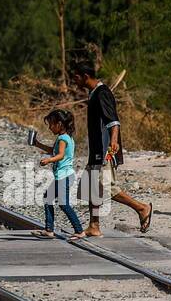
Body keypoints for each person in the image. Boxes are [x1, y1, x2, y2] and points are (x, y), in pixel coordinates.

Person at [69, 46, 153, 237]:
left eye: (75, 77)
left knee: (107, 187)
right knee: (91, 187)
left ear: (83, 76)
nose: (74, 81)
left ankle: (141, 208)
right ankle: (94, 226)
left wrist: (113, 142)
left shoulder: (102, 93)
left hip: (106, 149)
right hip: (96, 150)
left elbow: (113, 120)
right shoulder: (93, 94)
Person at [29, 108, 84, 239]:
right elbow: (53, 150)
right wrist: (37, 144)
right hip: (63, 175)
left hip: (64, 176)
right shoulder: (65, 137)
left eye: (51, 125)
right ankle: (49, 230)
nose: (50, 128)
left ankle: (79, 231)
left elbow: (59, 155)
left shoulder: (63, 138)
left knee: (63, 204)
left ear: (59, 124)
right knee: (48, 198)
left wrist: (48, 160)